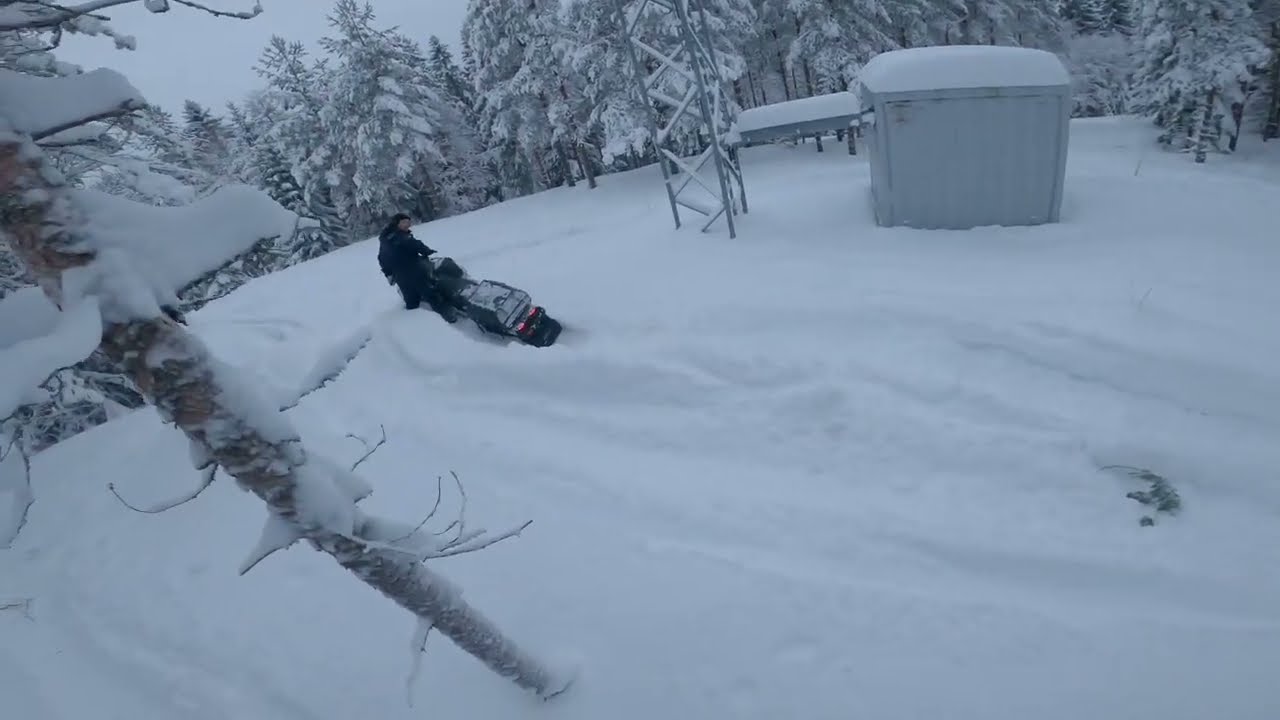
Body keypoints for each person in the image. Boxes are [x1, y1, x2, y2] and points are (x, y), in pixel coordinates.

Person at [377, 213, 458, 322]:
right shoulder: (400, 236)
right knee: (430, 293)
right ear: (397, 223)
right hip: (413, 270)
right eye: (404, 222)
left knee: (411, 299)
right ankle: (448, 317)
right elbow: (414, 244)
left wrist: (388, 273)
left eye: (408, 222)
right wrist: (426, 251)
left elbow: (381, 258)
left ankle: (416, 324)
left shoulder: (386, 238)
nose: (407, 225)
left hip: (399, 274)